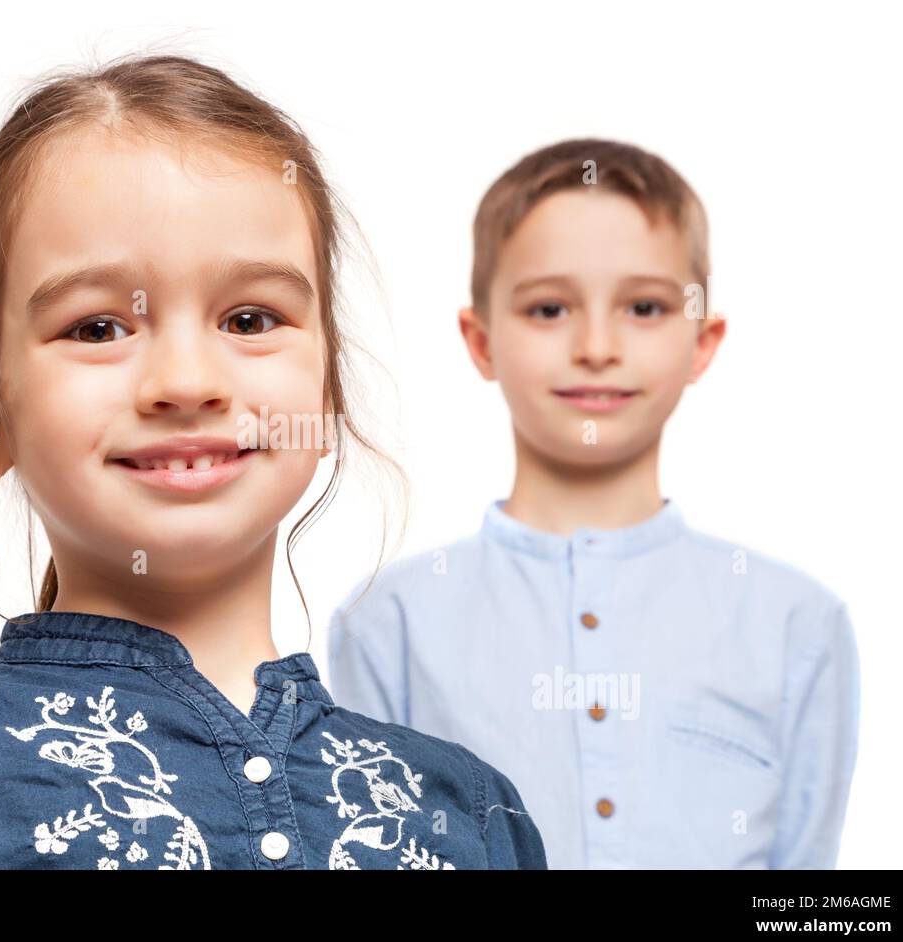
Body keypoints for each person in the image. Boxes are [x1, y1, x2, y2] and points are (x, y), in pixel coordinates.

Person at [0, 54, 546, 871]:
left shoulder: (472, 812)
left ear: (328, 387)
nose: (187, 383)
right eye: (97, 328)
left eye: (249, 317)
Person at [328, 139, 860, 869]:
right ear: (481, 341)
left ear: (702, 342)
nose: (597, 345)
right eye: (549, 308)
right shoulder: (388, 624)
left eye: (644, 306)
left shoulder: (798, 623)